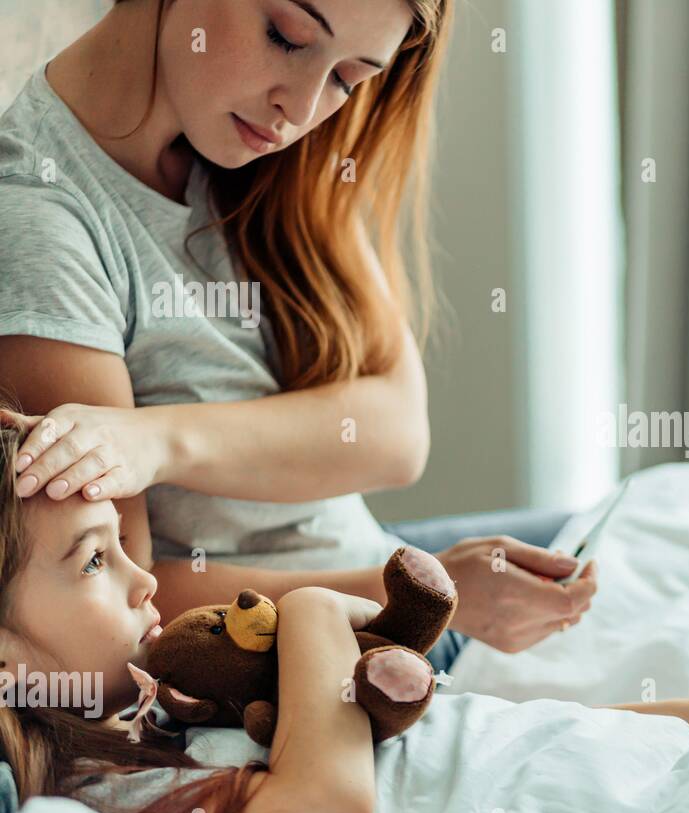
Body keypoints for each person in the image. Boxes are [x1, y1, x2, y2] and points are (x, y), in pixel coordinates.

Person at [0, 0, 594, 682]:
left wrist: (160, 441)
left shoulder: (273, 153)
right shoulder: (38, 225)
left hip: (388, 579)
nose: (302, 107)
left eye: (348, 77)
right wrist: (415, 601)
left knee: (659, 534)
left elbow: (397, 433)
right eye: (286, 36)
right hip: (341, 645)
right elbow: (124, 611)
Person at [0, 409, 689, 813]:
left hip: (590, 774)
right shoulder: (96, 806)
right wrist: (312, 611)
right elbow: (329, 802)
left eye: (122, 546)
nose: (146, 581)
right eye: (94, 559)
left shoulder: (175, 703)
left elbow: (457, 743)